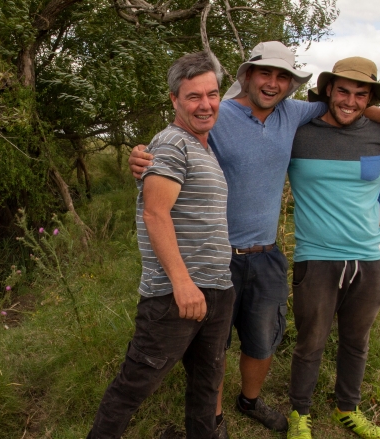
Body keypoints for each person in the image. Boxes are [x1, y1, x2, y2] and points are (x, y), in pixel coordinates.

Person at [128, 42, 380, 436]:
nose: (273, 83)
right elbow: (175, 138)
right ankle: (216, 416)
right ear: (247, 75)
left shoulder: (294, 113)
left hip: (267, 254)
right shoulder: (216, 112)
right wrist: (142, 156)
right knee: (214, 345)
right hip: (217, 255)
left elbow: (347, 105)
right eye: (265, 73)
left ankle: (251, 400)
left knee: (263, 338)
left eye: (282, 76)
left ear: (292, 85)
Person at [88, 51, 236, 438]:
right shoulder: (172, 143)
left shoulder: (204, 148)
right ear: (174, 100)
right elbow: (155, 213)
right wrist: (182, 282)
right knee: (134, 385)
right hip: (176, 295)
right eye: (193, 96)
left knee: (206, 385)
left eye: (212, 94)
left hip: (217, 290)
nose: (205, 104)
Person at [285, 57, 380, 439]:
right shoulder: (299, 131)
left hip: (369, 259)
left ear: (369, 97)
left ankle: (347, 409)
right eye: (343, 91)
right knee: (311, 342)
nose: (350, 101)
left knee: (357, 341)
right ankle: (299, 415)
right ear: (328, 91)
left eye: (360, 94)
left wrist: (357, 213)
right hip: (316, 258)